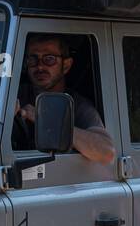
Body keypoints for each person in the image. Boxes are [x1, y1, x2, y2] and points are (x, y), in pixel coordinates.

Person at [12, 34, 116, 165]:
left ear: (66, 65)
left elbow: (106, 152)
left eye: (49, 59)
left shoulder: (76, 105)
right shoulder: (14, 94)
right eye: (33, 59)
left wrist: (46, 121)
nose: (39, 67)